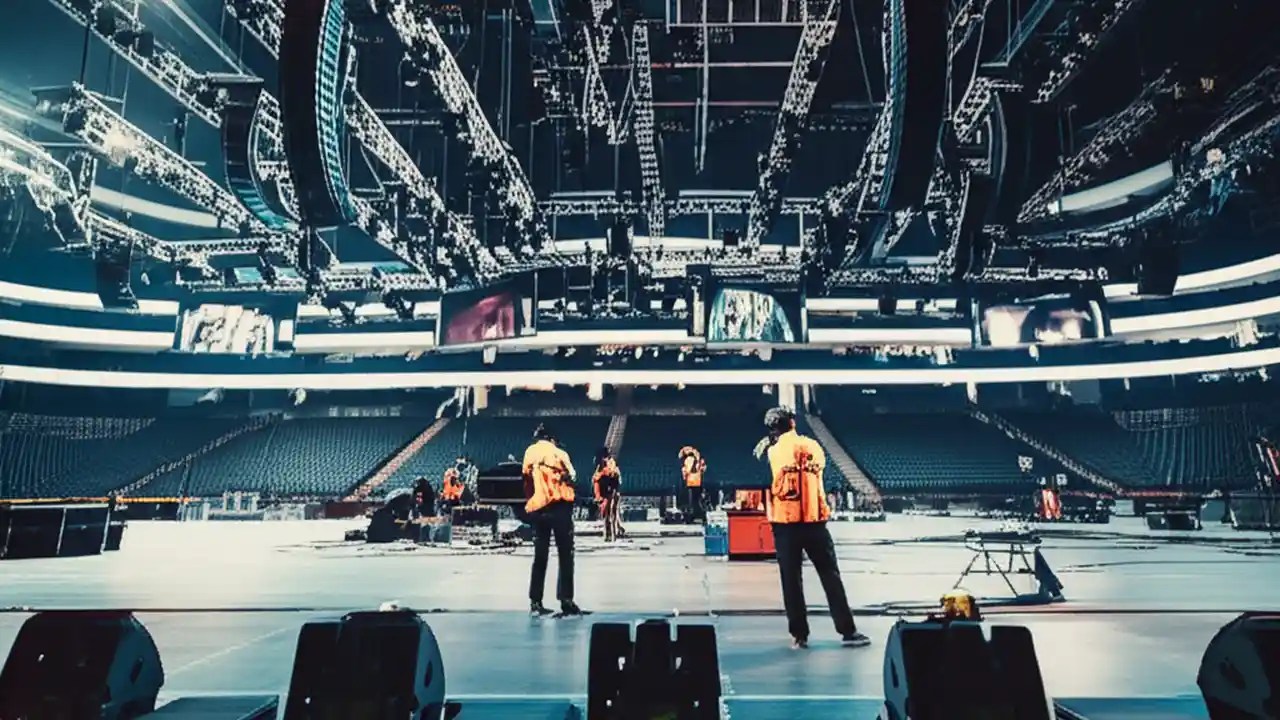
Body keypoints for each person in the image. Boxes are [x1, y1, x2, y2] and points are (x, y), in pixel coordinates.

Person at [762, 407, 871, 649]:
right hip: (814, 521)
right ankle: (848, 630)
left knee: (791, 580)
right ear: (792, 423)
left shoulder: (773, 451)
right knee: (830, 575)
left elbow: (777, 464)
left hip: (785, 524)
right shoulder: (812, 445)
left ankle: (799, 635)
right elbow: (818, 464)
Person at [523, 423, 583, 616]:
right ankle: (566, 600)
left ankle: (535, 602)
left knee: (540, 556)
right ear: (552, 439)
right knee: (566, 555)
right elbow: (573, 477)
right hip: (560, 508)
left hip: (539, 508)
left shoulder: (529, 452)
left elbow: (525, 479)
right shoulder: (560, 454)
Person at [593, 447, 623, 542]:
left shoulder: (610, 463)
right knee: (607, 514)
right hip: (606, 492)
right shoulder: (600, 466)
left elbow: (614, 475)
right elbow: (595, 480)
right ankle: (609, 534)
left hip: (611, 491)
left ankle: (612, 534)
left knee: (611, 514)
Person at [679, 446, 706, 522]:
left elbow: (688, 470)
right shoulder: (698, 460)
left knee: (692, 501)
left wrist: (684, 472)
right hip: (697, 482)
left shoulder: (689, 460)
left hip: (692, 482)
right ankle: (699, 515)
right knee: (696, 500)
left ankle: (693, 516)